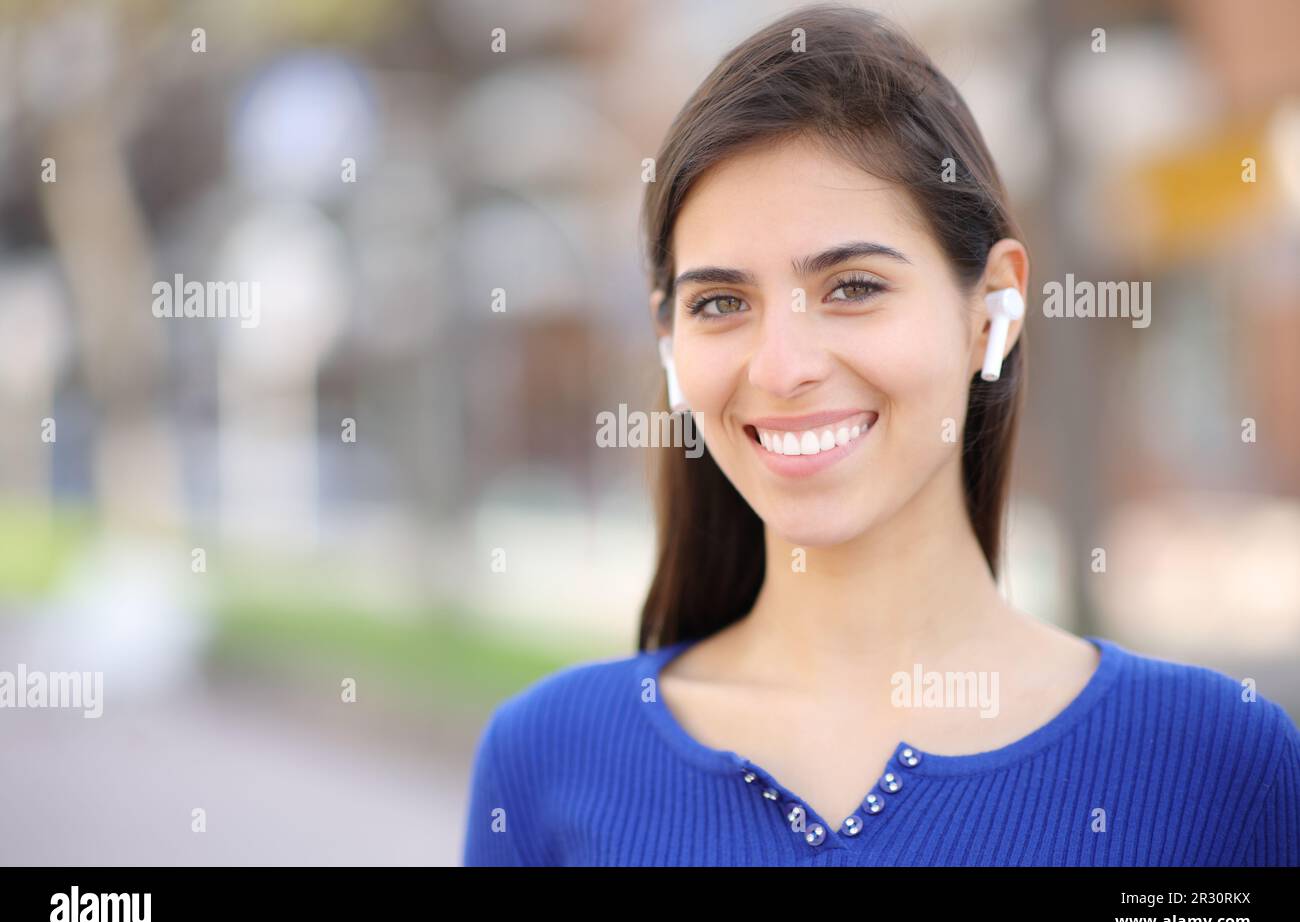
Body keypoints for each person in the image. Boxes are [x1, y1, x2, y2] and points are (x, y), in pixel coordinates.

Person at [462, 2, 1299, 866]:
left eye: (853, 287)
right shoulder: (544, 760)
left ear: (992, 311)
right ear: (670, 340)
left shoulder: (1215, 765)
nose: (783, 367)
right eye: (720, 303)